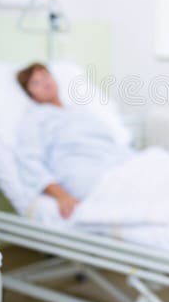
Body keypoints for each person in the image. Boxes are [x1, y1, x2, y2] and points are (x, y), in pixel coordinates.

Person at [15, 62, 133, 218]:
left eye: (45, 76)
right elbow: (31, 164)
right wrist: (61, 196)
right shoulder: (34, 120)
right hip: (91, 176)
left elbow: (109, 140)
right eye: (36, 82)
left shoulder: (78, 111)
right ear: (30, 94)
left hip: (119, 163)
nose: (45, 83)